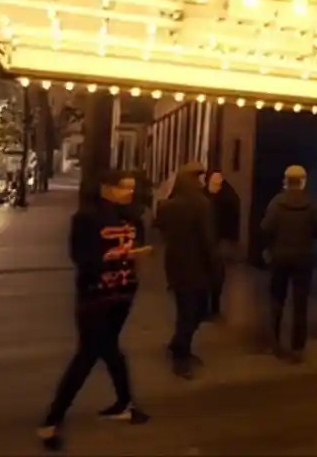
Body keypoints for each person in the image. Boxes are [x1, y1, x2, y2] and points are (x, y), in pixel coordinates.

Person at [37, 170, 151, 451]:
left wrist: (134, 254)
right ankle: (53, 418)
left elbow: (136, 246)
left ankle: (123, 403)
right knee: (89, 353)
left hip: (123, 292)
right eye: (124, 188)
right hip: (95, 294)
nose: (128, 193)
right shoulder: (86, 219)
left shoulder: (133, 217)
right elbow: (82, 258)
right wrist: (118, 255)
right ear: (106, 188)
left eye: (132, 189)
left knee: (109, 348)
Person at [155, 161, 219, 379]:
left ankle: (178, 345)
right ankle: (180, 357)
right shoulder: (201, 204)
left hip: (175, 264)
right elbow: (207, 238)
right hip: (196, 266)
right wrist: (214, 266)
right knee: (194, 312)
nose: (203, 181)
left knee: (186, 310)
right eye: (200, 177)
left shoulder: (168, 205)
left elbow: (160, 227)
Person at [261, 165, 317, 362]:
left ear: (285, 180)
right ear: (303, 181)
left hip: (280, 257)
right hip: (303, 258)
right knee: (301, 303)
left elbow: (266, 227)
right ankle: (297, 346)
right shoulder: (312, 203)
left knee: (276, 300)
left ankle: (274, 342)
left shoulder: (277, 202)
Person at [204, 169, 241, 319]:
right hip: (208, 239)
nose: (216, 183)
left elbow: (233, 218)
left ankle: (214, 306)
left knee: (216, 274)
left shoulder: (227, 197)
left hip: (219, 239)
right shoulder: (225, 196)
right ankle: (209, 306)